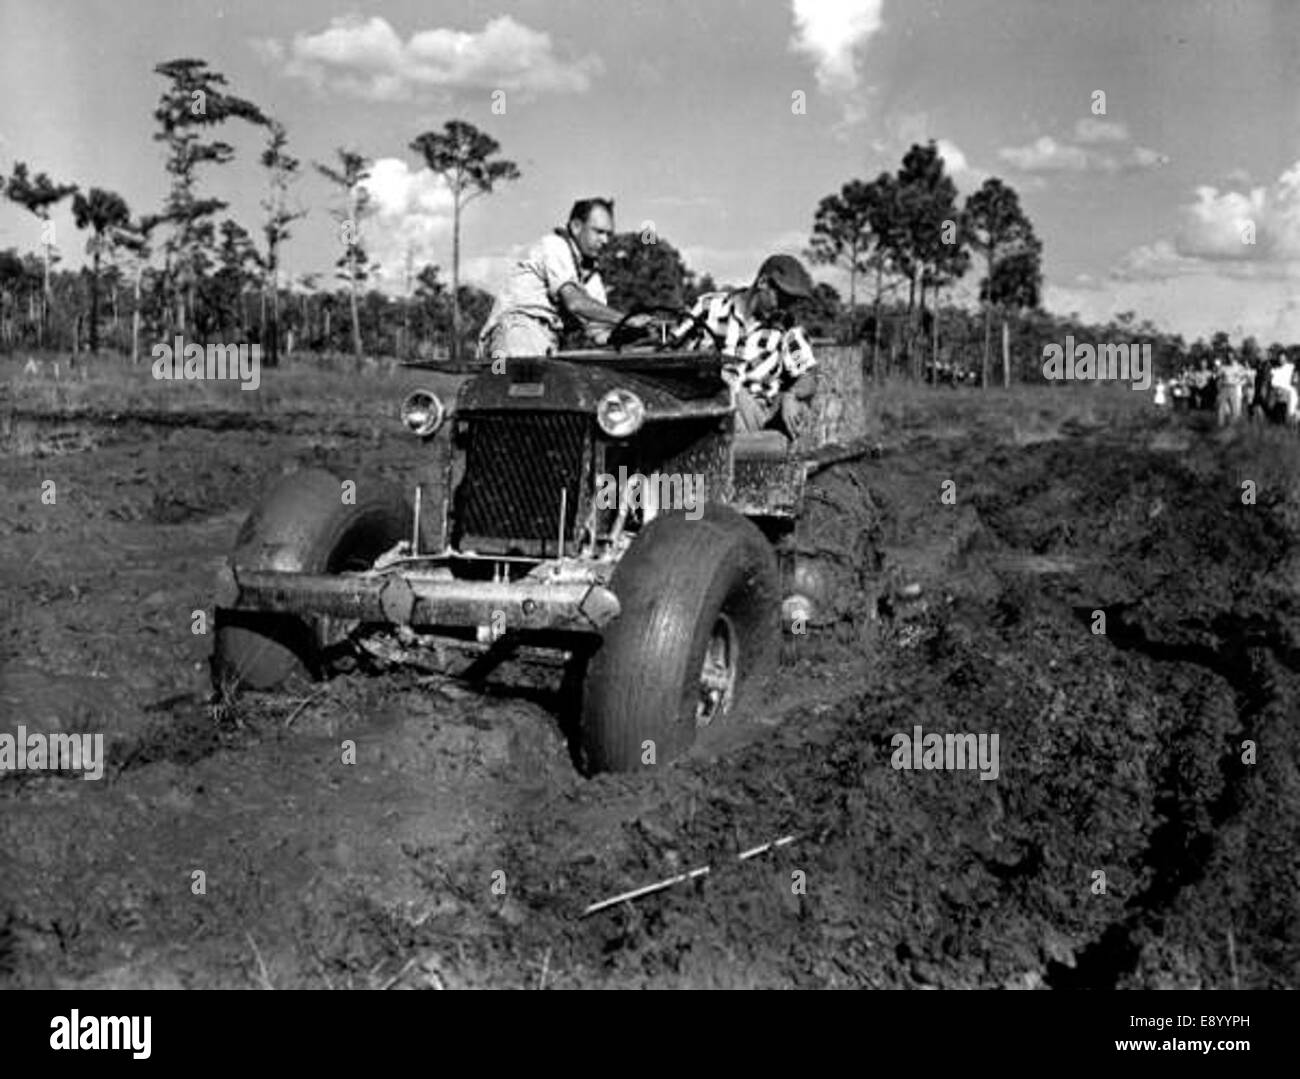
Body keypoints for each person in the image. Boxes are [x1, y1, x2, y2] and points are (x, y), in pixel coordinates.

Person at [478, 198, 652, 359]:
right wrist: (627, 319)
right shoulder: (555, 246)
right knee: (522, 387)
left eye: (608, 234)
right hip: (515, 332)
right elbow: (575, 303)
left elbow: (599, 334)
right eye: (598, 232)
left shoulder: (592, 277)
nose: (605, 240)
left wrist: (641, 332)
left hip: (546, 342)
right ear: (576, 226)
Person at [671, 254, 819, 437]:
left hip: (749, 418)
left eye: (791, 302)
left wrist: (792, 394)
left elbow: (808, 376)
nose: (786, 307)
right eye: (782, 298)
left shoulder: (788, 331)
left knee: (734, 393)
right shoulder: (709, 307)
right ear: (763, 283)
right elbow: (671, 348)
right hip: (696, 406)